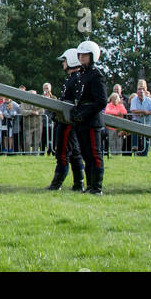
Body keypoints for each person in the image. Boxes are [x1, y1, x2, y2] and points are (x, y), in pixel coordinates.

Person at [70, 40, 108, 195]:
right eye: (80, 55)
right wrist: (76, 112)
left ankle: (97, 187)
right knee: (86, 155)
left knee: (94, 155)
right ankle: (90, 185)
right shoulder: (81, 75)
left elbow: (101, 101)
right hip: (82, 120)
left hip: (92, 120)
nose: (82, 57)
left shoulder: (96, 75)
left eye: (85, 55)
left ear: (92, 56)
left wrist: (84, 113)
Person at [47, 48, 85, 191]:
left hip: (68, 122)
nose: (63, 63)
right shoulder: (72, 78)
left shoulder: (76, 79)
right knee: (74, 153)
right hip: (66, 120)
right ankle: (78, 184)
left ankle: (57, 184)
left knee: (63, 152)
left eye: (64, 60)